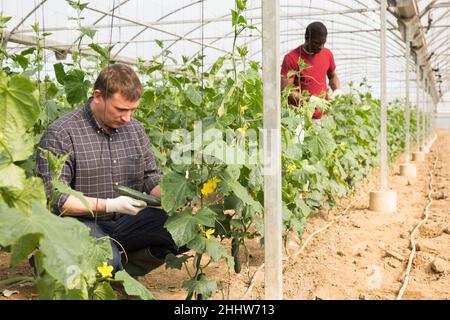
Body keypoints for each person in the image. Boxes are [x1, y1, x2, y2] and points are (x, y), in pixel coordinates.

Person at [36, 63, 185, 276]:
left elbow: (150, 178)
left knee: (182, 232)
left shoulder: (135, 129)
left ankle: (124, 272)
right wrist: (110, 204)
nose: (128, 118)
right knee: (105, 259)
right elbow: (56, 200)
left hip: (126, 221)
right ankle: (87, 267)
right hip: (81, 223)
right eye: (121, 109)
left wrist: (178, 192)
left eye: (133, 110)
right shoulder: (61, 133)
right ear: (98, 96)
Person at [281, 21, 340, 119]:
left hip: (322, 116)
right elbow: (286, 91)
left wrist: (337, 90)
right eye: (317, 43)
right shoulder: (291, 58)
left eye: (323, 43)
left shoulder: (327, 54)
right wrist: (311, 100)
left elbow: (332, 75)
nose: (321, 47)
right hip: (299, 116)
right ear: (307, 38)